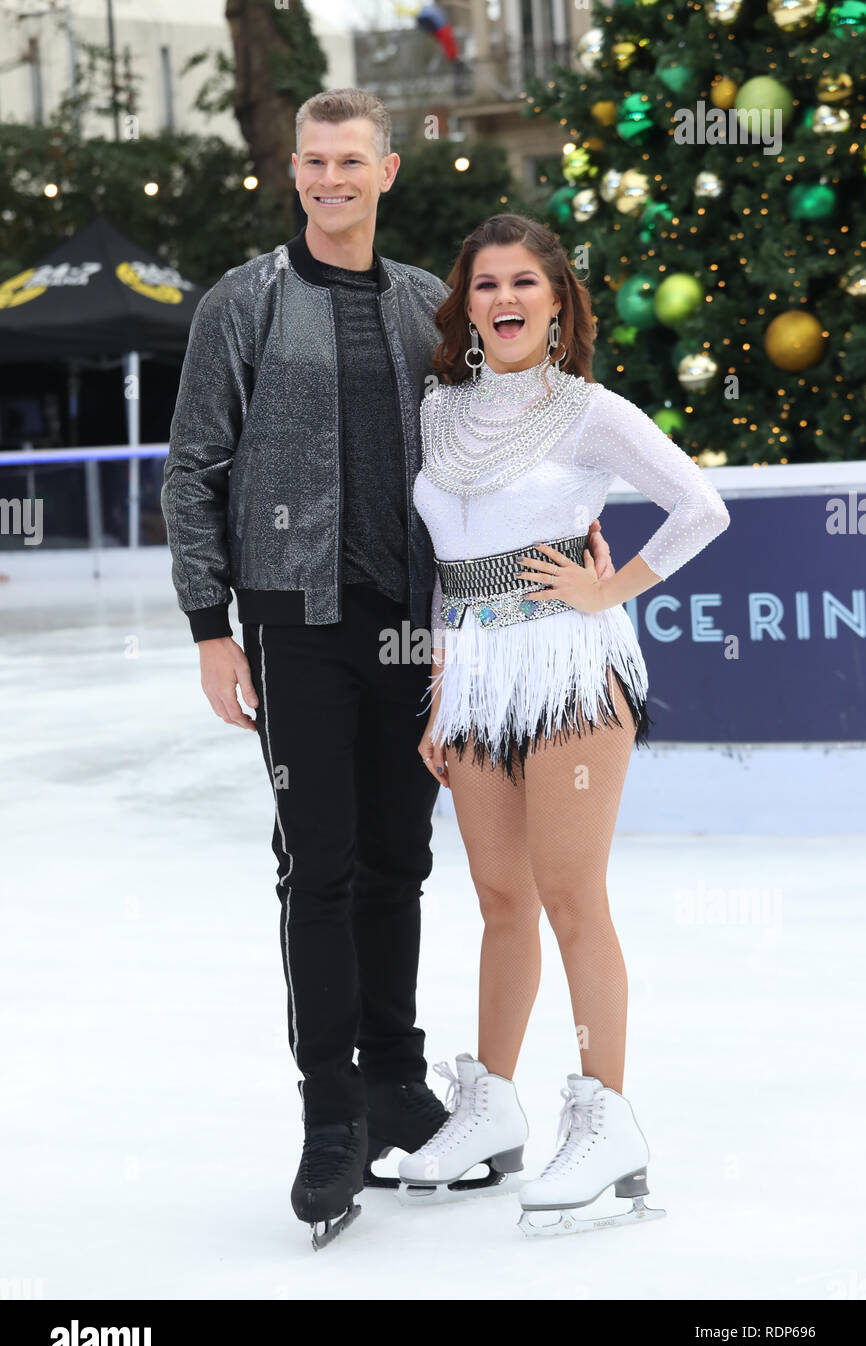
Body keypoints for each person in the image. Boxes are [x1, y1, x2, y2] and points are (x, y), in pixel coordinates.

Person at [160, 91, 615, 1249]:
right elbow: (193, 462)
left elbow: (505, 434)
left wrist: (579, 538)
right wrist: (210, 623)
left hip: (419, 627)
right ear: (298, 174)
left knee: (399, 860)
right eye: (312, 162)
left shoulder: (430, 305)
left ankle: (399, 1083)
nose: (329, 180)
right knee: (318, 861)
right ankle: (329, 1115)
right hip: (290, 618)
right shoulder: (243, 302)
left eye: (349, 162)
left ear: (386, 170)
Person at [398, 213, 731, 1235]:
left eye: (523, 284)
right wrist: (443, 679)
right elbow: (450, 558)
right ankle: (490, 1102)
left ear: (555, 305)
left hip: (567, 666)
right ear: (466, 304)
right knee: (498, 895)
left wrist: (610, 589)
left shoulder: (588, 411)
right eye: (484, 283)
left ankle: (604, 1114)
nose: (502, 298)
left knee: (566, 893)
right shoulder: (436, 407)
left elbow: (699, 506)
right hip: (474, 673)